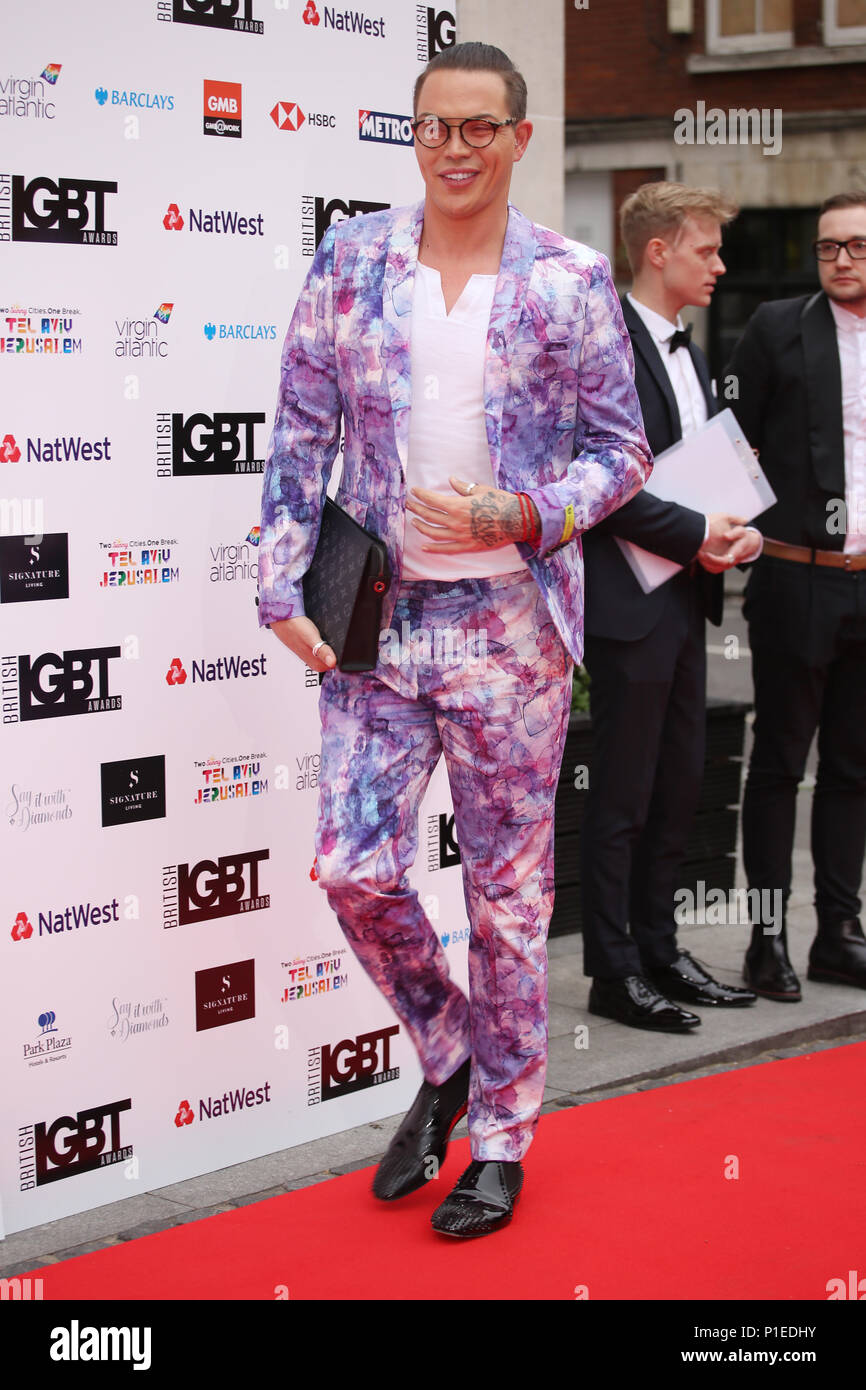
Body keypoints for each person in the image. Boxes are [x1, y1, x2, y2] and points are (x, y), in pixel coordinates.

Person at [256, 41, 652, 1238]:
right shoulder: (349, 260)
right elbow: (296, 435)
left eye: (481, 127)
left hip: (509, 631)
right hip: (376, 625)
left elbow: (621, 453)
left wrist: (524, 513)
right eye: (436, 126)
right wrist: (279, 584)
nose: (457, 147)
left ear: (518, 139)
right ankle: (447, 1053)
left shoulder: (572, 280)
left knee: (508, 899)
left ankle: (501, 1139)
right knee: (353, 867)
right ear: (413, 135)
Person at [580, 182, 761, 1032]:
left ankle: (662, 950)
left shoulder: (689, 347)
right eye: (707, 250)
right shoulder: (604, 341)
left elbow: (699, 467)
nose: (720, 265)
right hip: (629, 598)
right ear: (660, 252)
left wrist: (734, 530)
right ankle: (613, 974)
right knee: (621, 793)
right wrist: (699, 530)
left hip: (686, 594)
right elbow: (606, 486)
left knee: (677, 781)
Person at [726, 190, 866, 1000]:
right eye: (827, 248)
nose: (841, 259)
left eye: (854, 246)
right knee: (779, 765)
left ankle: (839, 934)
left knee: (852, 769)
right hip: (795, 576)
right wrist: (739, 532)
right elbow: (732, 440)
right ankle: (767, 939)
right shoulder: (778, 327)